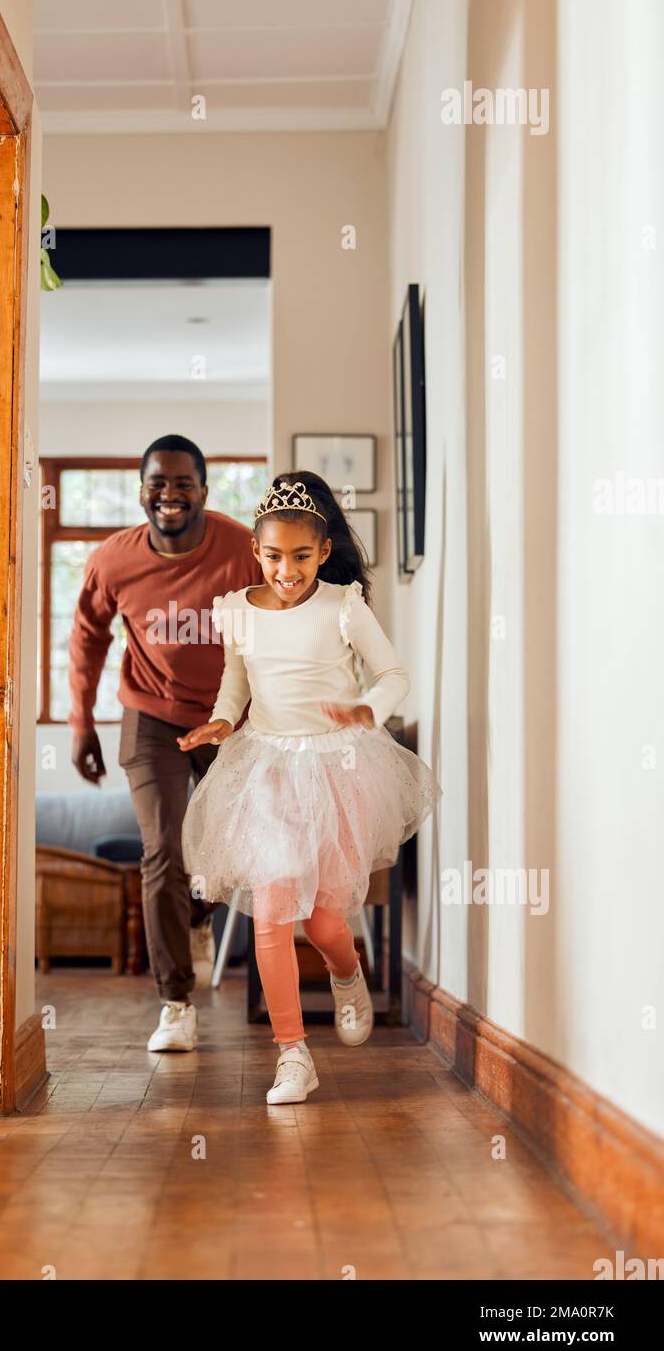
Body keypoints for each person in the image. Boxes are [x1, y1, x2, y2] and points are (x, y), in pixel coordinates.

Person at [178, 472, 442, 1104]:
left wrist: (366, 711)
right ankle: (293, 1053)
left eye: (300, 556)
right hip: (265, 767)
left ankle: (346, 971)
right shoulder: (237, 611)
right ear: (256, 552)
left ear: (323, 552)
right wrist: (221, 719)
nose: (286, 570)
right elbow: (234, 688)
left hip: (341, 769)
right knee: (270, 917)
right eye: (273, 556)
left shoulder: (344, 605)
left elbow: (394, 675)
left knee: (325, 921)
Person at [68, 435, 261, 1052]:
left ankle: (200, 915)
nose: (170, 495)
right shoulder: (114, 559)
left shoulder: (240, 550)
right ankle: (175, 1003)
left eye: (184, 483)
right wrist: (80, 724)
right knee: (162, 853)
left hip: (230, 716)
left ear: (204, 490)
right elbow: (88, 638)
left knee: (229, 850)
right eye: (158, 482)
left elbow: (280, 625)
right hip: (150, 718)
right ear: (141, 489)